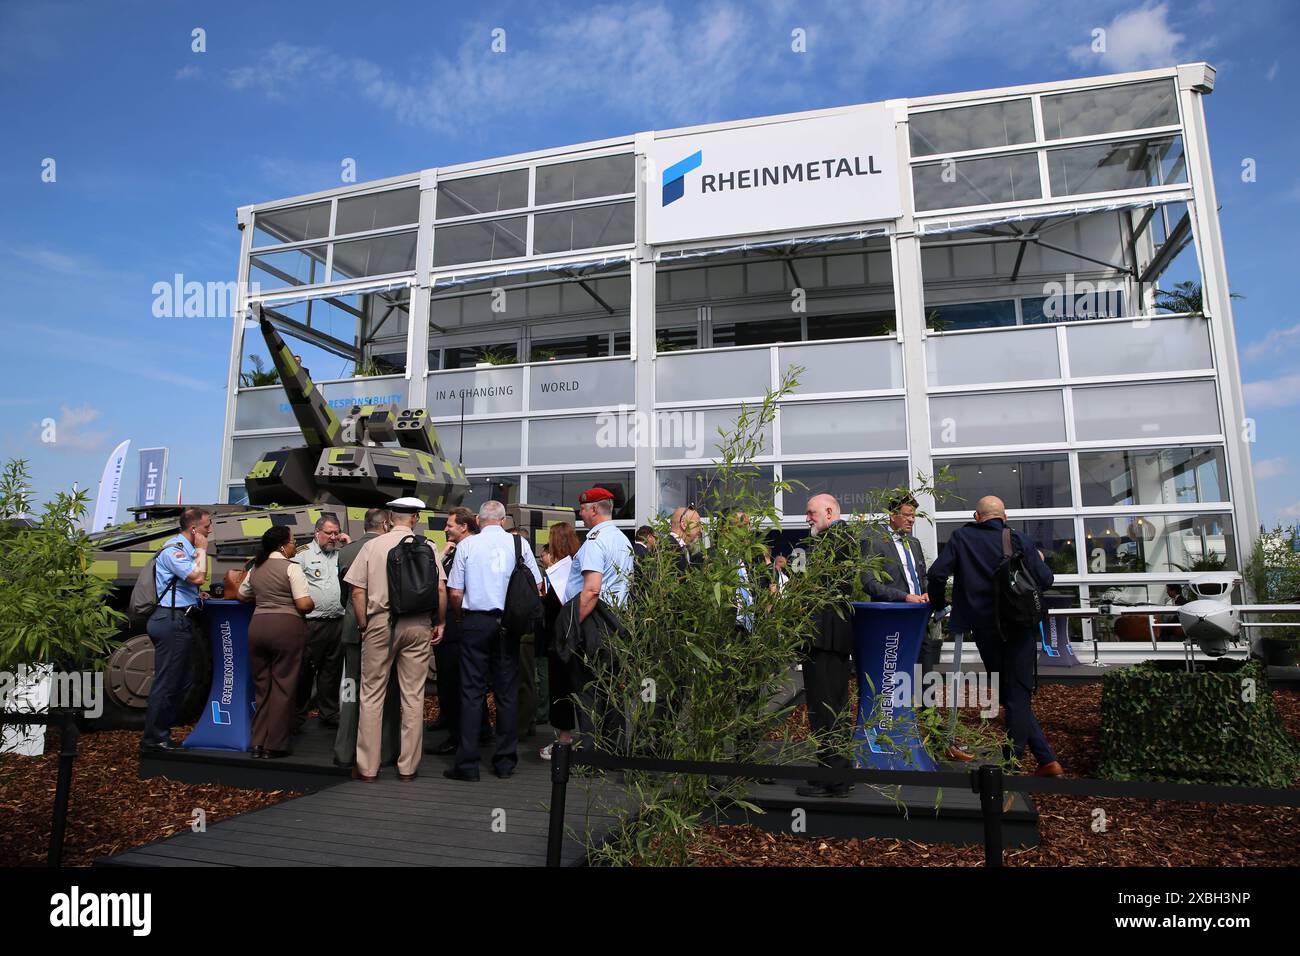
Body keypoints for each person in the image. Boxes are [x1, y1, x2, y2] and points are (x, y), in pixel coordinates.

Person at [927, 495, 1064, 777]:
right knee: (1016, 694)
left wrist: (940, 605)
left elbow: (937, 573)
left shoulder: (961, 538)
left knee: (1009, 694)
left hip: (985, 629)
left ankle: (1036, 760)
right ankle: (1025, 762)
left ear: (977, 516)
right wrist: (1036, 558)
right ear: (1005, 517)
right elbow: (1046, 579)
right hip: (1019, 628)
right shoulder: (1018, 539)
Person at [344, 497, 446, 782]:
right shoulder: (428, 547)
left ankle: (368, 767)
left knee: (372, 694)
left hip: (380, 624)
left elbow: (357, 592)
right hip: (418, 625)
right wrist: (440, 622)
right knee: (414, 696)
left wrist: (365, 624)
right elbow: (440, 590)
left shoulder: (371, 546)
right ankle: (408, 767)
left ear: (389, 519)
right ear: (415, 518)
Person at [444, 500, 543, 781]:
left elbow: (454, 591)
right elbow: (536, 586)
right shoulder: (518, 545)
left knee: (471, 691)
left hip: (475, 621)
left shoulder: (467, 546)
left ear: (477, 519)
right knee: (506, 693)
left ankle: (467, 764)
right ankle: (505, 762)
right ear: (502, 520)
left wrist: (461, 617)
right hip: (508, 623)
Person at [560, 487, 636, 745]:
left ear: (593, 509)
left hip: (595, 625)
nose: (580, 513)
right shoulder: (621, 539)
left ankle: (592, 754)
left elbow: (591, 590)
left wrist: (571, 626)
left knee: (589, 691)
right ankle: (612, 749)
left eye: (582, 508)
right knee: (612, 691)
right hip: (617, 624)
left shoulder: (595, 541)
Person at [797, 493, 858, 798]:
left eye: (811, 512)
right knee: (830, 707)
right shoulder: (838, 539)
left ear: (830, 511)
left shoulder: (836, 540)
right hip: (826, 639)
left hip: (825, 638)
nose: (807, 518)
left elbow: (814, 584)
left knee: (827, 708)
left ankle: (834, 779)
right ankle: (833, 771)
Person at [333, 508, 401, 769]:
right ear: (385, 524)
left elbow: (344, 594)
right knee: (386, 689)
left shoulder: (345, 552)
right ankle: (384, 750)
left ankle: (344, 749)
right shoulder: (390, 548)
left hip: (352, 627)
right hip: (383, 626)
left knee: (350, 688)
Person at [141, 507, 212, 753]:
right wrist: (202, 549)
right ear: (193, 529)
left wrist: (194, 595)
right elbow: (196, 576)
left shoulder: (184, 550)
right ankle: (154, 739)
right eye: (206, 527)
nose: (209, 531)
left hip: (179, 619)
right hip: (170, 620)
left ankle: (161, 734)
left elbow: (190, 584)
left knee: (181, 679)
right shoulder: (174, 550)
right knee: (168, 682)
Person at [238, 526, 313, 757]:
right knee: (284, 686)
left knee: (263, 687)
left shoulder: (256, 567)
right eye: (293, 541)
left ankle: (258, 742)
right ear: (283, 545)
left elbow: (242, 595)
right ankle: (275, 745)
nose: (294, 545)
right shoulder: (291, 568)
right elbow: (302, 604)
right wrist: (312, 604)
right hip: (285, 629)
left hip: (257, 627)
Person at [426, 505, 484, 756]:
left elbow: (451, 589)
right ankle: (474, 729)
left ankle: (458, 736)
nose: (446, 528)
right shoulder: (456, 550)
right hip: (455, 625)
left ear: (463, 526)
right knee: (456, 682)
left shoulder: (468, 551)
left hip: (456, 624)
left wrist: (454, 619)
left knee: (456, 683)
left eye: (450, 525)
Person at [863, 496, 940, 673]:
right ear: (892, 515)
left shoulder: (914, 543)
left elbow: (922, 576)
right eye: (907, 515)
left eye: (913, 516)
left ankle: (924, 701)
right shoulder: (874, 542)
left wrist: (928, 592)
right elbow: (868, 583)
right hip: (893, 620)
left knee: (925, 672)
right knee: (896, 674)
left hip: (919, 618)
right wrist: (904, 597)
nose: (912, 520)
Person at [294, 514, 351, 732]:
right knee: (305, 670)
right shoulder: (302, 555)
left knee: (332, 671)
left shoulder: (341, 554)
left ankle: (329, 713)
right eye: (329, 533)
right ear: (317, 532)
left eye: (336, 533)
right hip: (312, 623)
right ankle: (298, 715)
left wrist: (348, 545)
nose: (333, 537)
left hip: (337, 621)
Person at [538, 521, 580, 760]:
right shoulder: (578, 566)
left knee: (561, 691)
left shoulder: (559, 573)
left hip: (560, 641)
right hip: (577, 639)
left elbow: (553, 609)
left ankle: (563, 741)